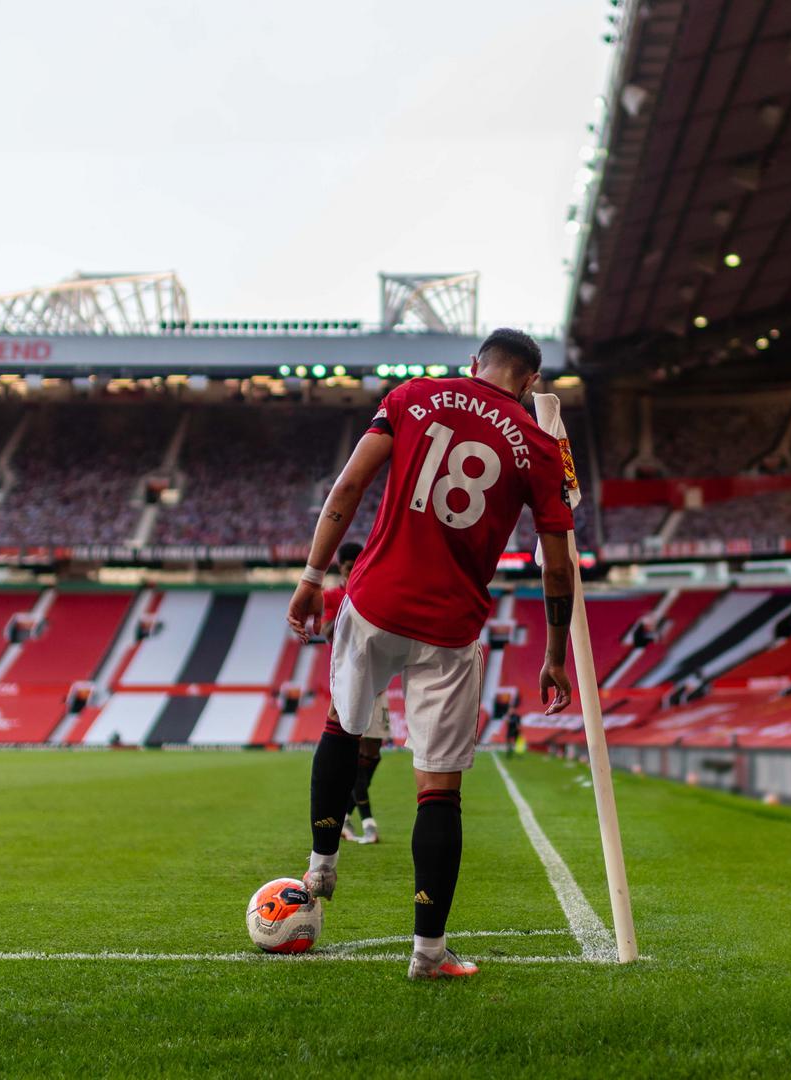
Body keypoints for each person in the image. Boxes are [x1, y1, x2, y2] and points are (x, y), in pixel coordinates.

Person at [286, 328, 576, 980]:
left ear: (474, 365)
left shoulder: (414, 396)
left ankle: (321, 863)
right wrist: (554, 653)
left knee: (343, 724)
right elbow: (555, 566)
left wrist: (312, 576)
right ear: (529, 381)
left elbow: (349, 486)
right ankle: (427, 954)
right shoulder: (538, 446)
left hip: (373, 603)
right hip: (451, 629)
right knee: (439, 791)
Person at [319, 542, 387, 846]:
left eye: (354, 564)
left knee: (373, 752)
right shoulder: (335, 595)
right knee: (354, 750)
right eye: (345, 566)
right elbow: (326, 631)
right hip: (350, 678)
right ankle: (368, 820)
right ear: (341, 568)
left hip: (380, 680)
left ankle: (345, 814)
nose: (349, 569)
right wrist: (352, 602)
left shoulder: (376, 588)